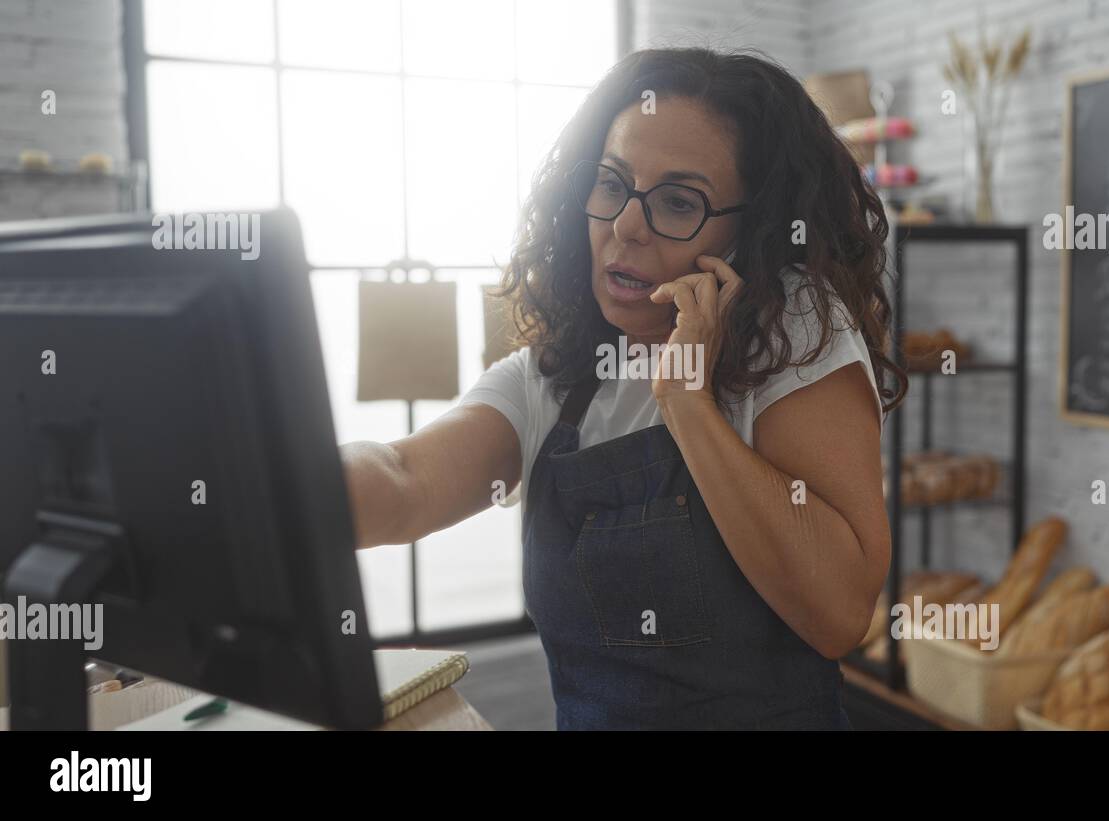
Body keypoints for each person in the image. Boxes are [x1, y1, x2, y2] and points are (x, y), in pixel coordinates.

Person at [341, 47, 907, 730]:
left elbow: (840, 613)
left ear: (747, 233)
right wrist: (253, 476)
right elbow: (401, 481)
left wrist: (687, 401)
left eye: (677, 201)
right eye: (611, 183)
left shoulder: (794, 333)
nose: (625, 226)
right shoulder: (558, 377)